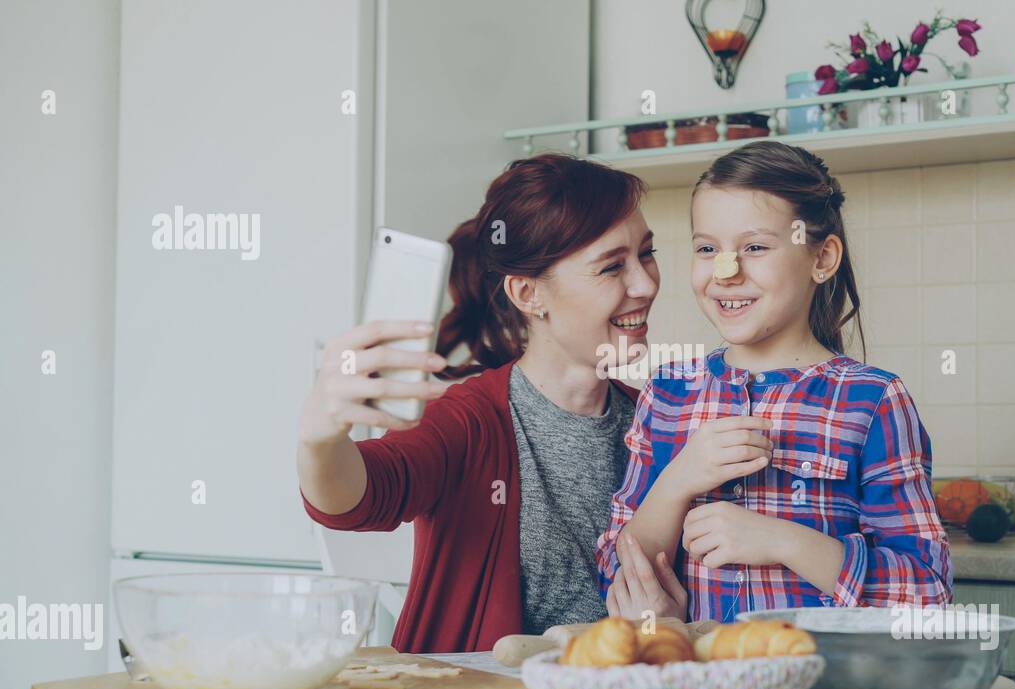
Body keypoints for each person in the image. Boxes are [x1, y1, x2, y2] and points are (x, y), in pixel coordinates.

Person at [298, 154, 664, 651]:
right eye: (611, 267)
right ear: (528, 292)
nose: (645, 284)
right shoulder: (469, 420)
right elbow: (354, 498)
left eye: (647, 254)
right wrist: (320, 436)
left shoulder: (657, 421)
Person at [598, 140, 952, 623]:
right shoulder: (668, 393)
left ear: (822, 258)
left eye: (755, 247)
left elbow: (927, 596)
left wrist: (784, 541)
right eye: (707, 248)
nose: (726, 272)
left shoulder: (871, 400)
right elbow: (616, 579)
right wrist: (679, 479)